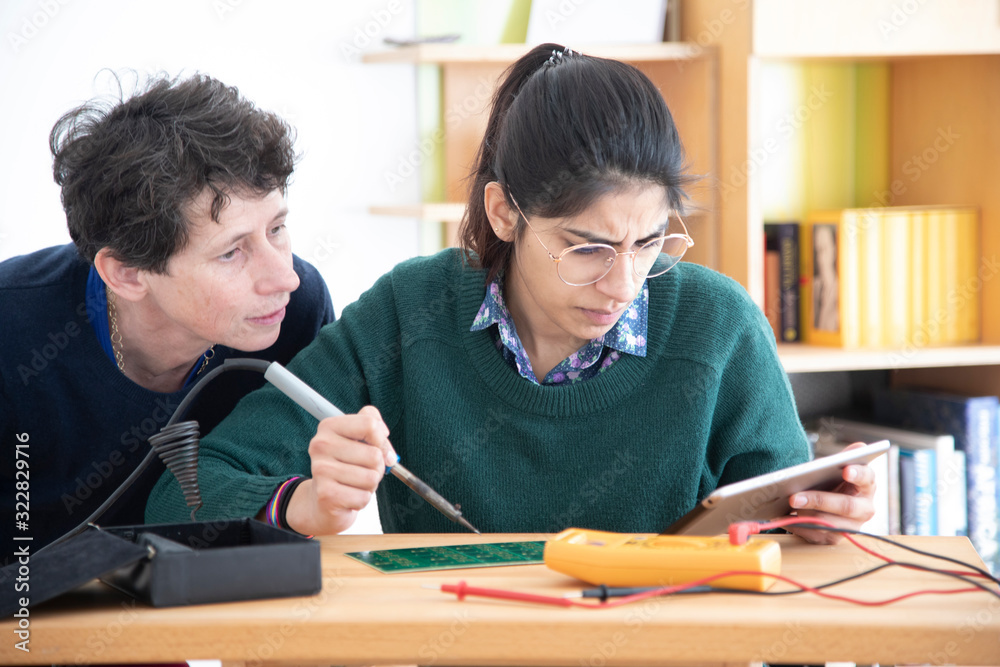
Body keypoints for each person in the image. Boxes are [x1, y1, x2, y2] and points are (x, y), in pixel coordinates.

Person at [147, 45, 874, 545]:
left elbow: (787, 549)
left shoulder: (720, 326)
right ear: (504, 213)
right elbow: (183, 494)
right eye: (586, 247)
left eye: (649, 243)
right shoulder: (412, 313)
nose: (623, 285)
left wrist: (814, 522)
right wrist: (303, 502)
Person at [0, 73, 334, 550]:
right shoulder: (12, 327)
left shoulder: (295, 311)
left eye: (277, 228)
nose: (285, 278)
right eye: (230, 253)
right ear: (128, 274)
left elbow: (275, 517)